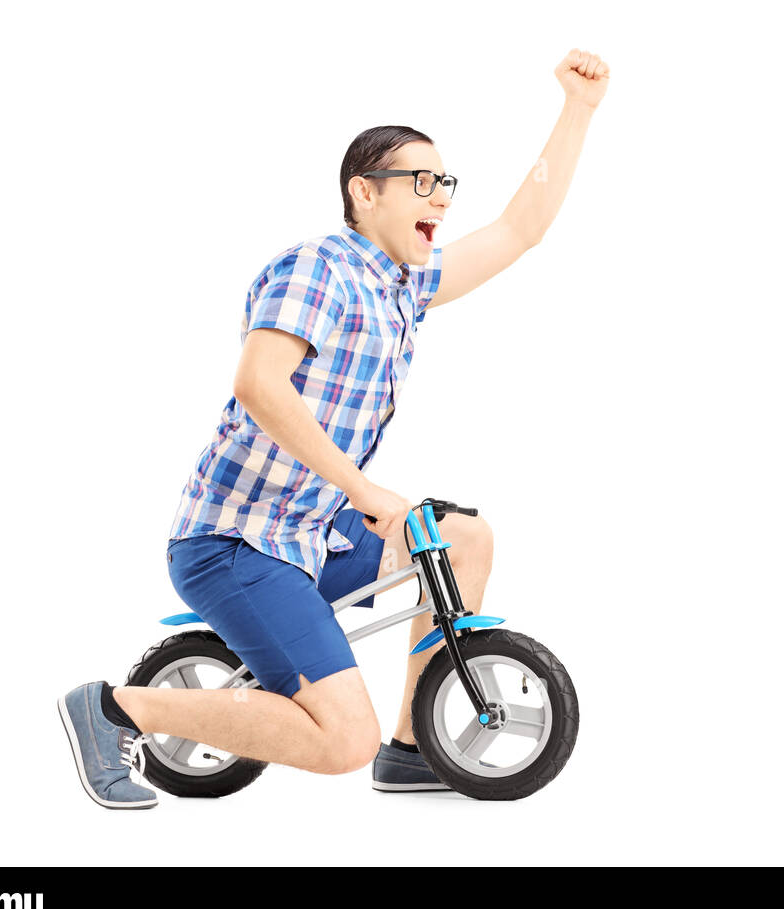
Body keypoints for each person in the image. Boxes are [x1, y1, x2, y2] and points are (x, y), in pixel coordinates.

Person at [58, 48, 610, 808]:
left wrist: (578, 109)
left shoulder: (403, 284)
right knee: (338, 740)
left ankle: (414, 749)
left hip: (312, 535)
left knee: (462, 538)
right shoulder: (319, 268)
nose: (440, 198)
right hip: (236, 544)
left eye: (445, 183)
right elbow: (257, 382)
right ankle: (116, 709)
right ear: (364, 192)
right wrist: (363, 489)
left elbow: (520, 229)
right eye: (422, 181)